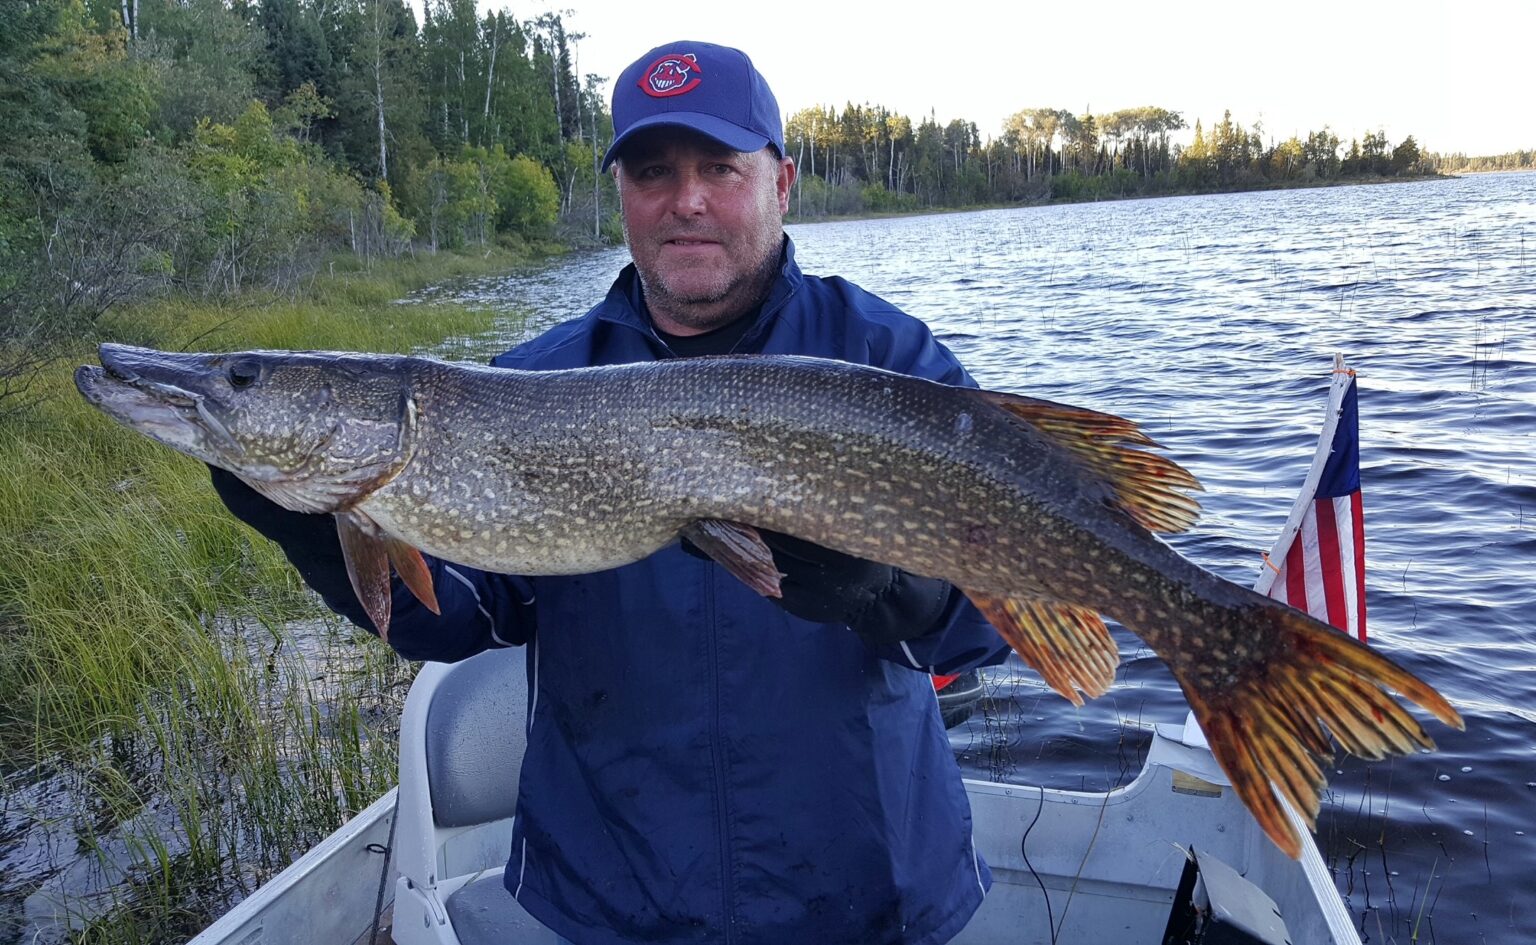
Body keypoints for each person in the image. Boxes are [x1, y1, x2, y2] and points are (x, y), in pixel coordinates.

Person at [212, 40, 1010, 945]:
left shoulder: (886, 357)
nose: (688, 200)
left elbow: (997, 622)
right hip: (619, 903)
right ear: (621, 193)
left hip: (869, 888)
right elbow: (461, 614)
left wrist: (902, 593)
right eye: (653, 171)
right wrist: (321, 523)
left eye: (720, 166)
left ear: (782, 182)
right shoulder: (532, 381)